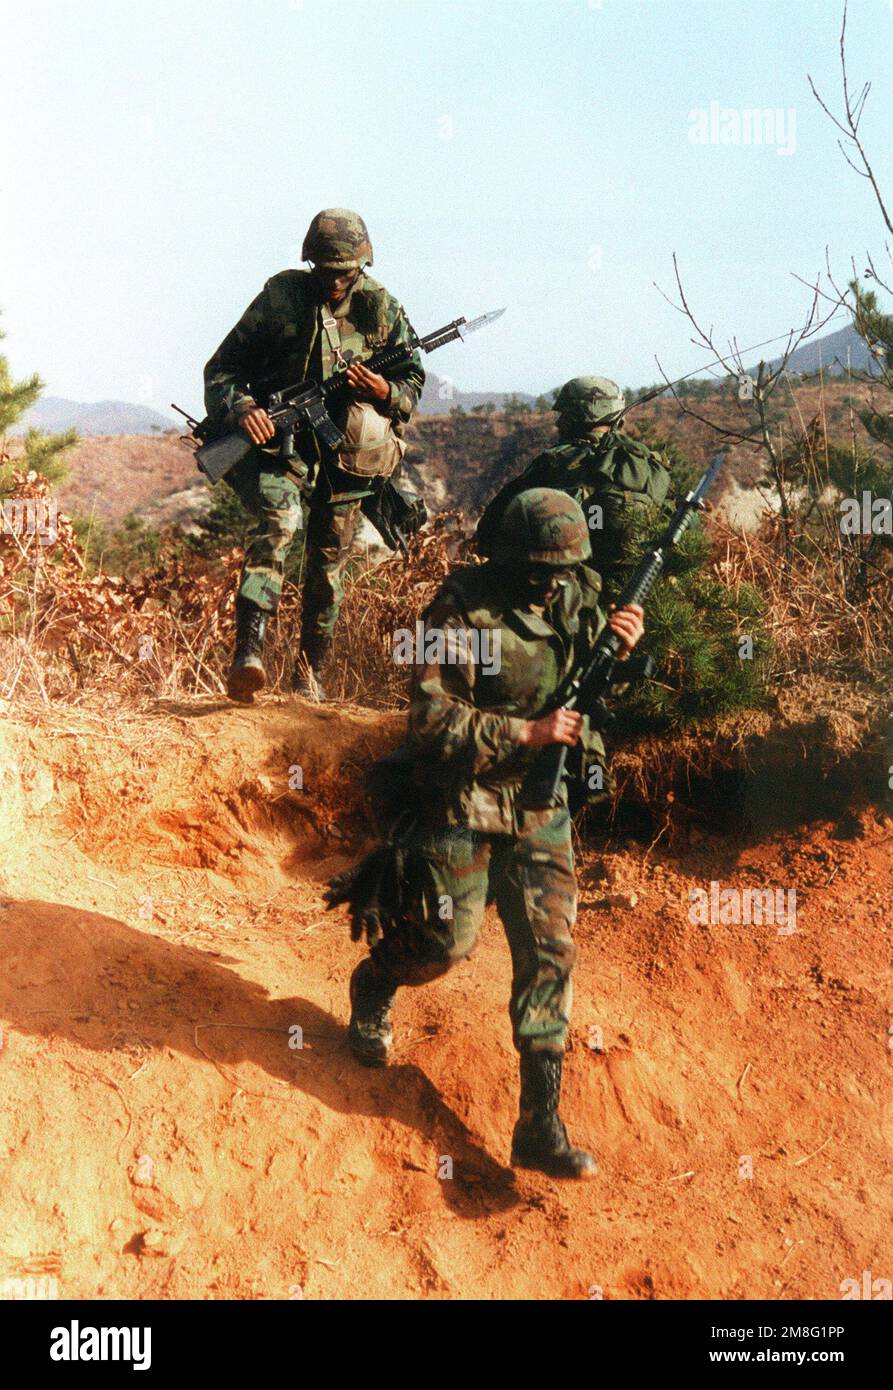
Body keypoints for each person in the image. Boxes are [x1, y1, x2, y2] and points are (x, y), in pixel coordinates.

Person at [345, 489, 645, 1179]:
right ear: (508, 557)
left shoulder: (574, 595)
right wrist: (526, 733)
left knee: (550, 954)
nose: (551, 581)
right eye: (539, 567)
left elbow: (594, 679)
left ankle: (539, 1126)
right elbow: (427, 721)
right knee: (444, 946)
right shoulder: (461, 609)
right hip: (464, 800)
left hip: (542, 808)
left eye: (564, 568)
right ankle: (374, 982)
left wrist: (625, 647)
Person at [204, 209, 425, 701]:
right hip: (278, 447)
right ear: (311, 264)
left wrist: (385, 389)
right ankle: (249, 653)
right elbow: (221, 369)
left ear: (362, 266)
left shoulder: (381, 308)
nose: (335, 282)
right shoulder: (280, 298)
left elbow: (413, 381)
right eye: (326, 272)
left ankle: (309, 678)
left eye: (345, 273)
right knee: (278, 524)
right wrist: (243, 410)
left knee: (328, 566)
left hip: (345, 457)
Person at [477, 376, 670, 603]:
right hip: (642, 599)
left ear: (573, 418)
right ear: (618, 418)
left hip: (568, 599)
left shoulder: (552, 464)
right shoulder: (648, 465)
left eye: (564, 416)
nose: (559, 424)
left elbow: (489, 532)